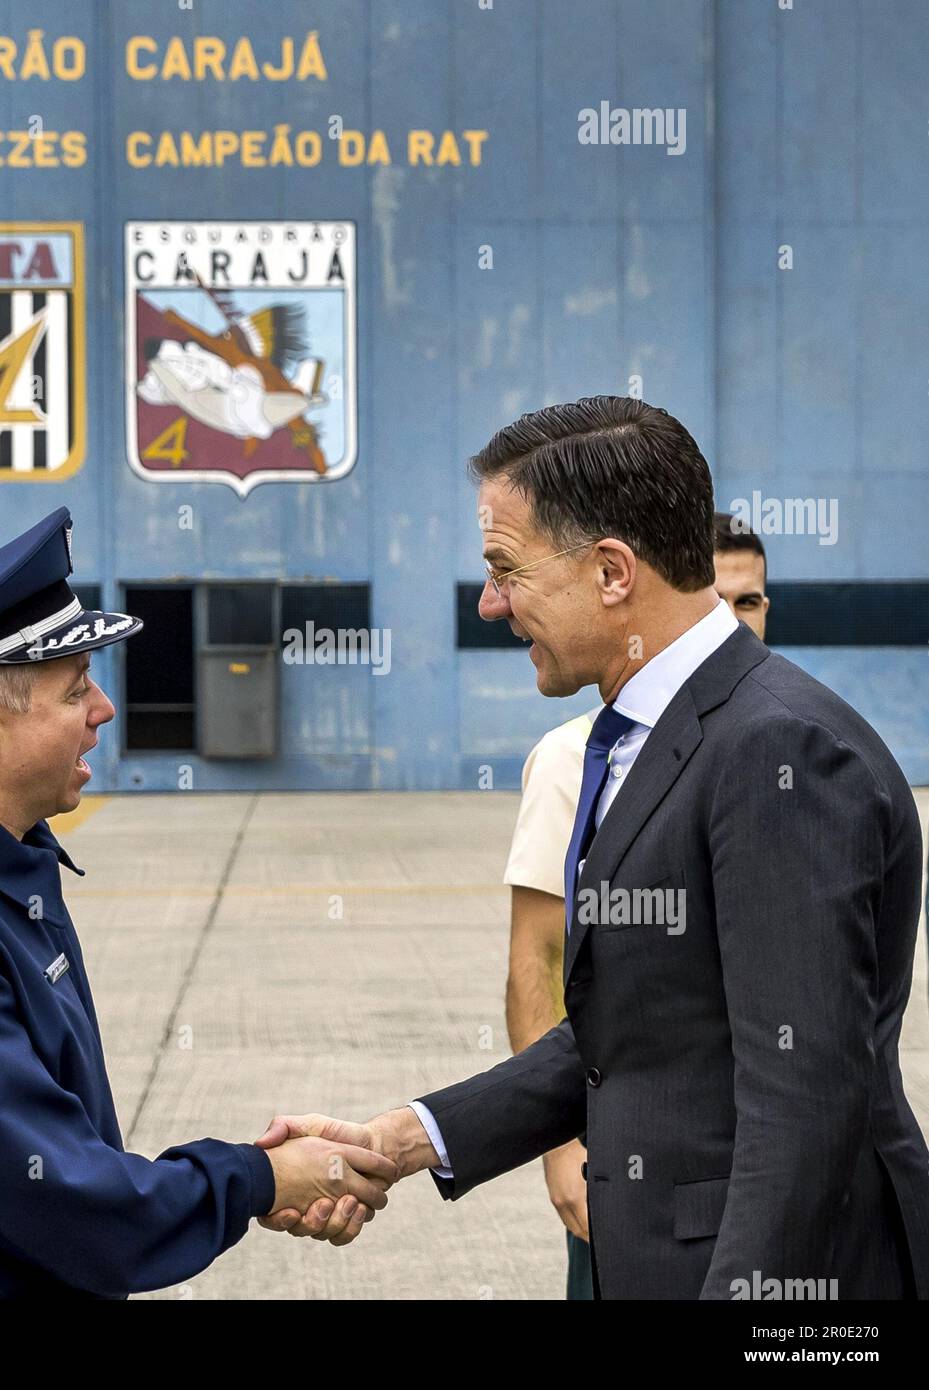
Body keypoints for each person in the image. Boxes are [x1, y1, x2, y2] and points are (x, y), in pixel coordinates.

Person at [259, 397, 929, 1300]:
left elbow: (803, 1102)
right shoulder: (651, 737)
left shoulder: (778, 752)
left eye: (505, 569)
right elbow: (643, 1033)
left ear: (612, 572)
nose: (492, 603)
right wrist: (403, 1139)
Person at [0, 507, 394, 1299]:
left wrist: (258, 1175)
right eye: (75, 690)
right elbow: (62, 1201)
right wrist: (255, 1179)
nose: (103, 711)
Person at [503, 512, 771, 1299]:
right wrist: (559, 1151)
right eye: (716, 600)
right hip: (627, 1171)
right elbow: (538, 960)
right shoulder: (573, 759)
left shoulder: (798, 747)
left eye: (749, 601)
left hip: (763, 1179)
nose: (732, 620)